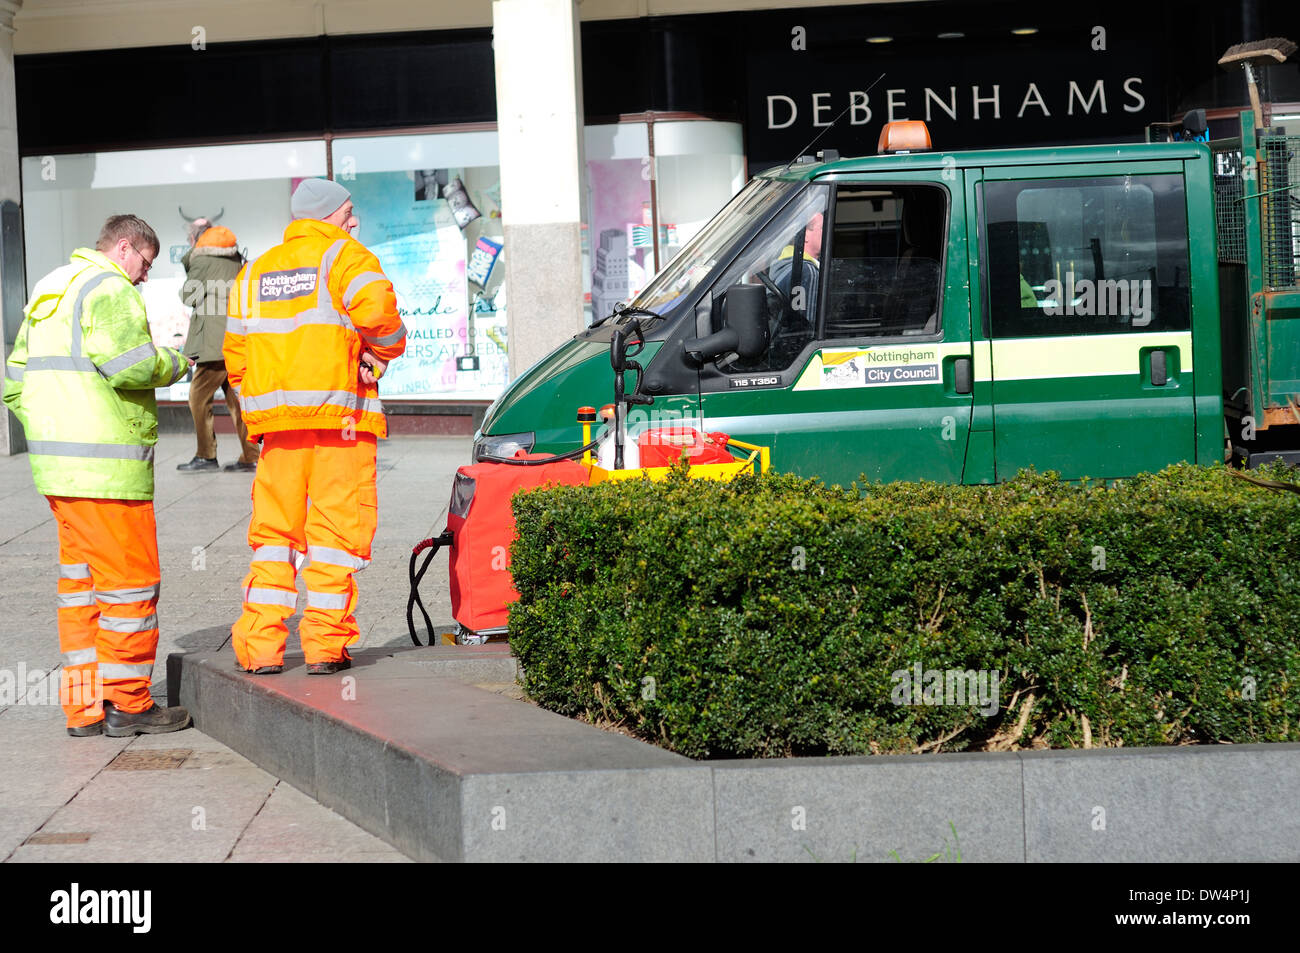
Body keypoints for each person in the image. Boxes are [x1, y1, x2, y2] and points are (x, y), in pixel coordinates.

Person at [2, 215, 193, 737]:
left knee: (81, 592)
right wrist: (177, 363)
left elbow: (14, 382)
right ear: (124, 247)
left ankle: (84, 709)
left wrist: (51, 431)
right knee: (130, 587)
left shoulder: (50, 288)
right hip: (107, 474)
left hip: (59, 472)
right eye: (145, 264)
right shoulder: (108, 287)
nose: (144, 277)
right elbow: (129, 365)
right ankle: (129, 703)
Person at [225, 178, 406, 675]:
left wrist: (262, 404)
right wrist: (381, 353)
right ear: (328, 215)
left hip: (278, 431)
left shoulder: (255, 271)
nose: (354, 222)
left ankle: (261, 650)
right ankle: (325, 648)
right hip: (339, 422)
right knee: (335, 534)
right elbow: (383, 319)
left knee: (274, 536)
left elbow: (236, 356)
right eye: (349, 212)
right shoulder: (346, 256)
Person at [178, 223, 259, 472]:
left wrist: (189, 258)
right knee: (237, 401)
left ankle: (206, 455)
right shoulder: (237, 259)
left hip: (213, 341)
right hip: (237, 337)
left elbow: (188, 296)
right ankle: (252, 455)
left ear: (195, 239)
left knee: (198, 397)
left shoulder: (202, 261)